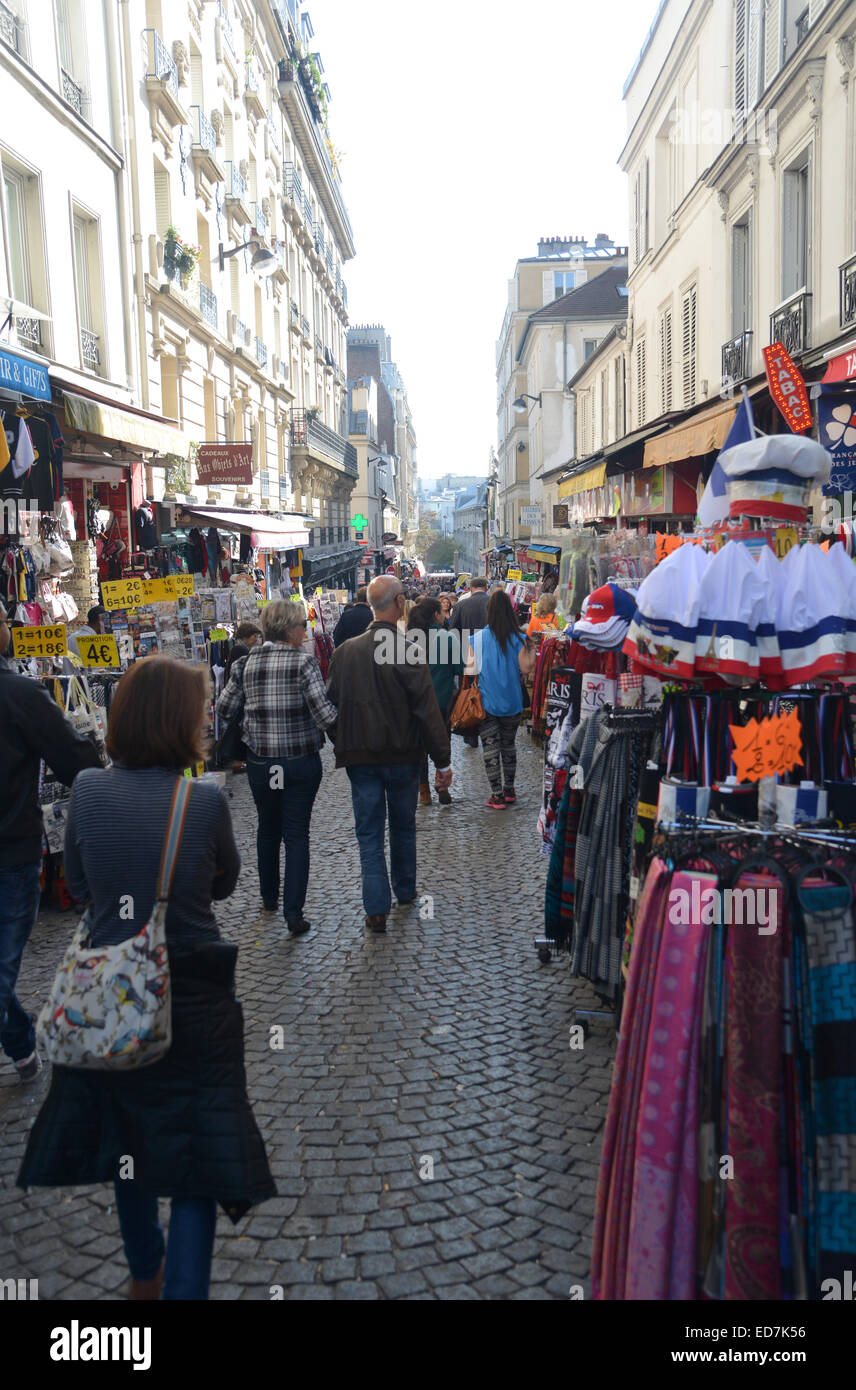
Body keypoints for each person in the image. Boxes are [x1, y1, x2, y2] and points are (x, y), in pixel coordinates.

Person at [17, 656, 275, 1299]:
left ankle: (144, 1273)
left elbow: (76, 887)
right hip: (193, 993)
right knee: (195, 1160)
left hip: (111, 993)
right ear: (181, 722)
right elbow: (227, 883)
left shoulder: (91, 793)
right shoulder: (205, 800)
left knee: (126, 1140)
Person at [0, 600, 101, 1082]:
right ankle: (21, 1045)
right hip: (11, 853)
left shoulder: (21, 693)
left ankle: (20, 1047)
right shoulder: (20, 694)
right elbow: (76, 759)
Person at [326, 577, 451, 934]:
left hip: (361, 758)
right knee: (402, 825)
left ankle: (376, 909)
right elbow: (427, 710)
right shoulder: (409, 649)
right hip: (401, 756)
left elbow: (328, 706)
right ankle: (406, 890)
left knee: (368, 832)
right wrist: (442, 761)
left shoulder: (345, 652)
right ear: (399, 602)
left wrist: (342, 739)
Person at [217, 600, 336, 934]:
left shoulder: (245, 664)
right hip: (299, 762)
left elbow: (224, 708)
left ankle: (269, 896)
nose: (305, 630)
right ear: (288, 628)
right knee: (296, 833)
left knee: (268, 828)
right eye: (302, 625)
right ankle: (293, 913)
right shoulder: (304, 663)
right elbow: (324, 715)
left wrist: (252, 717)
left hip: (262, 762)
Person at [470, 590, 536, 810]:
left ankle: (496, 795)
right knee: (509, 745)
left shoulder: (476, 639)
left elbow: (469, 670)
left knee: (490, 747)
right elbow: (526, 668)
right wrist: (532, 649)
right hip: (512, 701)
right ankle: (509, 790)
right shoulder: (519, 638)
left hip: (487, 703)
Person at [408, 597, 463, 807]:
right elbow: (459, 668)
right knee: (441, 743)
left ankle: (423, 792)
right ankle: (443, 786)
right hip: (441, 701)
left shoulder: (408, 639)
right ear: (435, 615)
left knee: (420, 745)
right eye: (440, 612)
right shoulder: (448, 638)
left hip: (416, 701)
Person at [449, 577, 490, 745]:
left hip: (468, 654)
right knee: (487, 690)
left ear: (471, 588)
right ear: (486, 588)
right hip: (489, 653)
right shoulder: (493, 603)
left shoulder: (460, 605)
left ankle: (470, 731)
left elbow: (453, 632)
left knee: (468, 691)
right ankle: (488, 728)